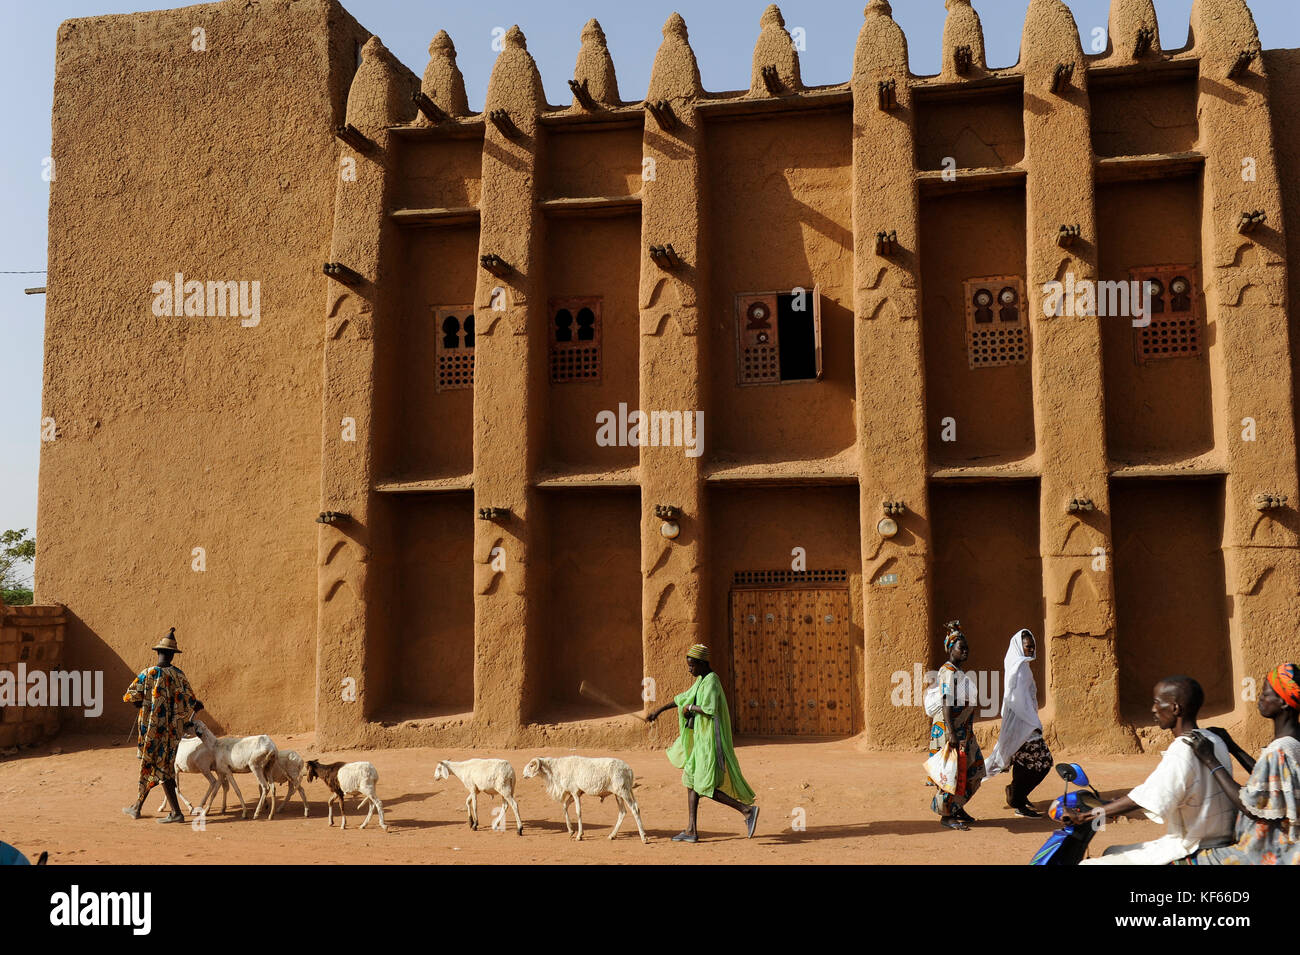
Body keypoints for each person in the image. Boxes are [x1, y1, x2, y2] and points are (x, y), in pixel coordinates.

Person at [1066, 676, 1236, 864]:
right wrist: (1111, 806)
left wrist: (1085, 815)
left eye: (1157, 702)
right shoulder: (1212, 738)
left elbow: (1148, 797)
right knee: (1111, 851)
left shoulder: (1183, 749)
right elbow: (1157, 791)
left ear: (1175, 708)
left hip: (1192, 846)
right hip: (1215, 840)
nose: (1153, 709)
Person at [1179, 663, 1300, 864]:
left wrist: (1211, 760)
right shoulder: (1293, 742)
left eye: (1265, 694)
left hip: (1263, 851)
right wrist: (1233, 747)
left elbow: (1248, 806)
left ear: (1284, 702)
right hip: (1289, 847)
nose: (1260, 698)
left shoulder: (1278, 750)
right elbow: (1272, 783)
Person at [645, 644, 758, 843]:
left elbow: (709, 708)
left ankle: (747, 810)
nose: (689, 669)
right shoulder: (701, 680)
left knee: (704, 785)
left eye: (692, 666)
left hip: (710, 741)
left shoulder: (712, 681)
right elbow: (682, 699)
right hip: (699, 740)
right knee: (690, 781)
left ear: (702, 663)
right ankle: (691, 830)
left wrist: (690, 707)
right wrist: (659, 711)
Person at [121, 628, 203, 823]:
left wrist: (143, 707)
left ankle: (175, 813)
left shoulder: (147, 673)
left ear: (158, 652)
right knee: (158, 767)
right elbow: (193, 701)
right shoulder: (179, 675)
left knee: (157, 768)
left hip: (151, 731)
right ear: (173, 655)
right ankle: (137, 806)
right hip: (172, 733)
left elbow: (130, 696)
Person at [984, 629, 1052, 817]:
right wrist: (1034, 722)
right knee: (1043, 763)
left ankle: (1017, 794)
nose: (1031, 649)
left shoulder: (1019, 666)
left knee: (1024, 763)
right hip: (1026, 727)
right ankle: (1017, 799)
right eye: (1027, 646)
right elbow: (1016, 699)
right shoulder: (1019, 669)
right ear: (1019, 647)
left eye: (1033, 646)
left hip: (1023, 726)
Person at [925, 622, 985, 830]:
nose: (965, 651)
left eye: (967, 647)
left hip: (963, 731)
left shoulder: (958, 671)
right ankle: (946, 814)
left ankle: (956, 807)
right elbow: (946, 702)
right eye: (961, 647)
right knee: (951, 772)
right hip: (951, 731)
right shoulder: (948, 672)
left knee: (974, 769)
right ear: (951, 649)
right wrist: (952, 732)